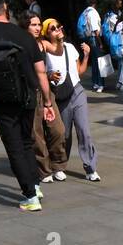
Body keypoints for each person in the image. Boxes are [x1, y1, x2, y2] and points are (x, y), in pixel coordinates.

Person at [0, 0, 56, 212]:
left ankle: (30, 195)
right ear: (5, 8)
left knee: (14, 146)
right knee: (27, 141)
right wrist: (47, 102)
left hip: (0, 99)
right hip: (27, 97)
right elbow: (41, 73)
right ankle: (35, 185)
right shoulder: (24, 37)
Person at [41, 20, 100, 182]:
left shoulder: (70, 48)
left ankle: (90, 167)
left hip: (77, 91)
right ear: (46, 33)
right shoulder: (44, 50)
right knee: (63, 133)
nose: (58, 29)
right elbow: (39, 73)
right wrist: (49, 76)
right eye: (53, 28)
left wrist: (86, 55)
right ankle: (59, 164)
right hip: (60, 95)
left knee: (84, 130)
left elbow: (79, 71)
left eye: (59, 26)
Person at [26, 14, 69, 183]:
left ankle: (58, 164)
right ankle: (44, 169)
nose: (37, 28)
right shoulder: (23, 44)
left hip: (46, 91)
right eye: (33, 25)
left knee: (57, 129)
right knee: (36, 133)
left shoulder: (42, 44)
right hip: (31, 92)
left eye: (38, 24)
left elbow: (58, 51)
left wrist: (58, 39)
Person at [78, 0, 104, 93]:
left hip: (88, 38)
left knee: (94, 61)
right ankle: (100, 84)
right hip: (94, 38)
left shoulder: (85, 12)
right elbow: (96, 29)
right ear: (95, 2)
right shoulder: (93, 12)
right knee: (99, 61)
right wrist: (101, 43)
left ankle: (95, 82)